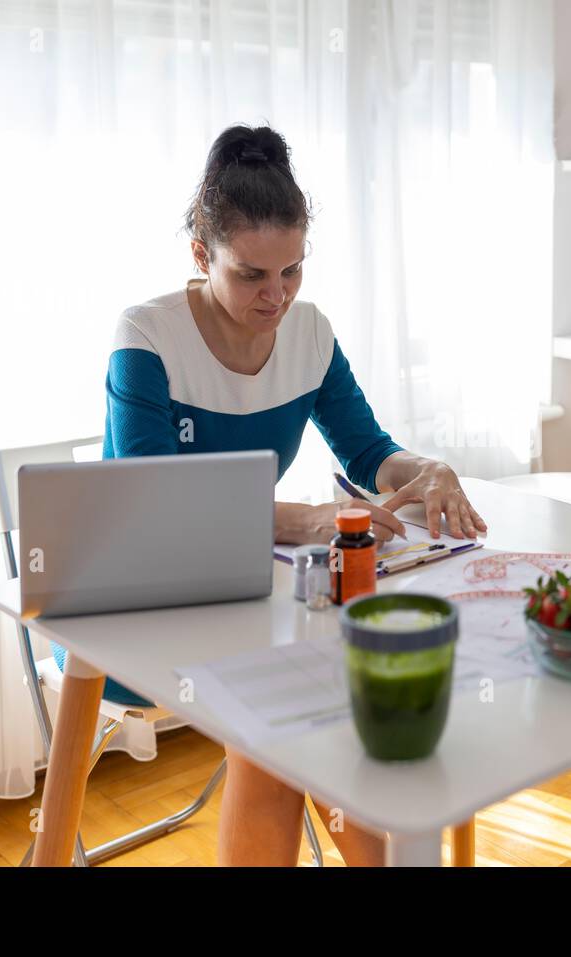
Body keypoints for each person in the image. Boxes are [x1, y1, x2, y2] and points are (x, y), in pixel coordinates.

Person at [71, 123, 487, 865]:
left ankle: (359, 809)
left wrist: (433, 468)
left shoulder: (309, 333)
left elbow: (370, 450)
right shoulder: (146, 337)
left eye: (293, 271)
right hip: (138, 596)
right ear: (202, 255)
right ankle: (351, 805)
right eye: (252, 276)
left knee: (339, 705)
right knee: (298, 718)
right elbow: (157, 501)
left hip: (243, 586)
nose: (278, 296)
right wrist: (301, 520)